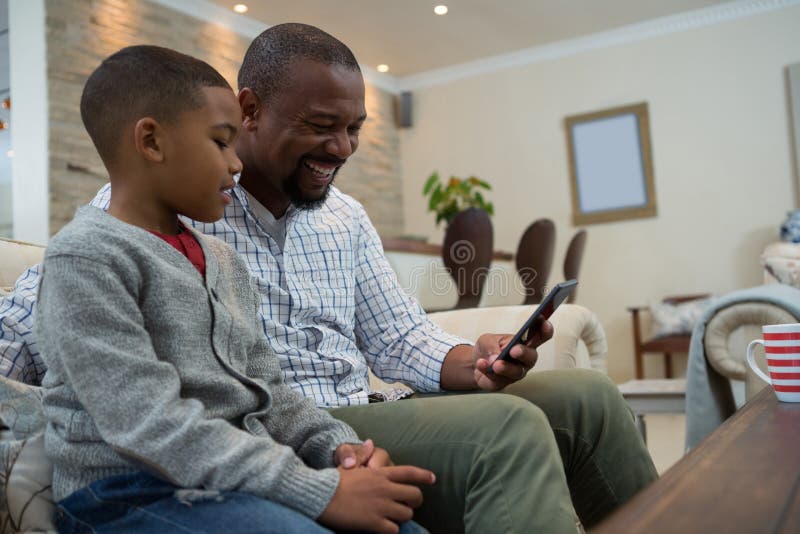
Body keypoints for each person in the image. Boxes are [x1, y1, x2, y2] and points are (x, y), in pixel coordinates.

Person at [2, 24, 657, 532]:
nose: (342, 148)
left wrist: (476, 361)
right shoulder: (141, 227)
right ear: (249, 110)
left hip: (359, 415)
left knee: (589, 398)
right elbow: (42, 336)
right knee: (506, 431)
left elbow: (399, 337)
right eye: (321, 127)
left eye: (353, 130)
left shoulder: (344, 217)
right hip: (275, 428)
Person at [34, 44, 433, 534]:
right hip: (123, 494)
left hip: (231, 481)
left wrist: (338, 448)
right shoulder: (87, 256)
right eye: (221, 143)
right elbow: (149, 423)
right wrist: (317, 490)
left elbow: (271, 391)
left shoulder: (221, 258)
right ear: (153, 142)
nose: (237, 163)